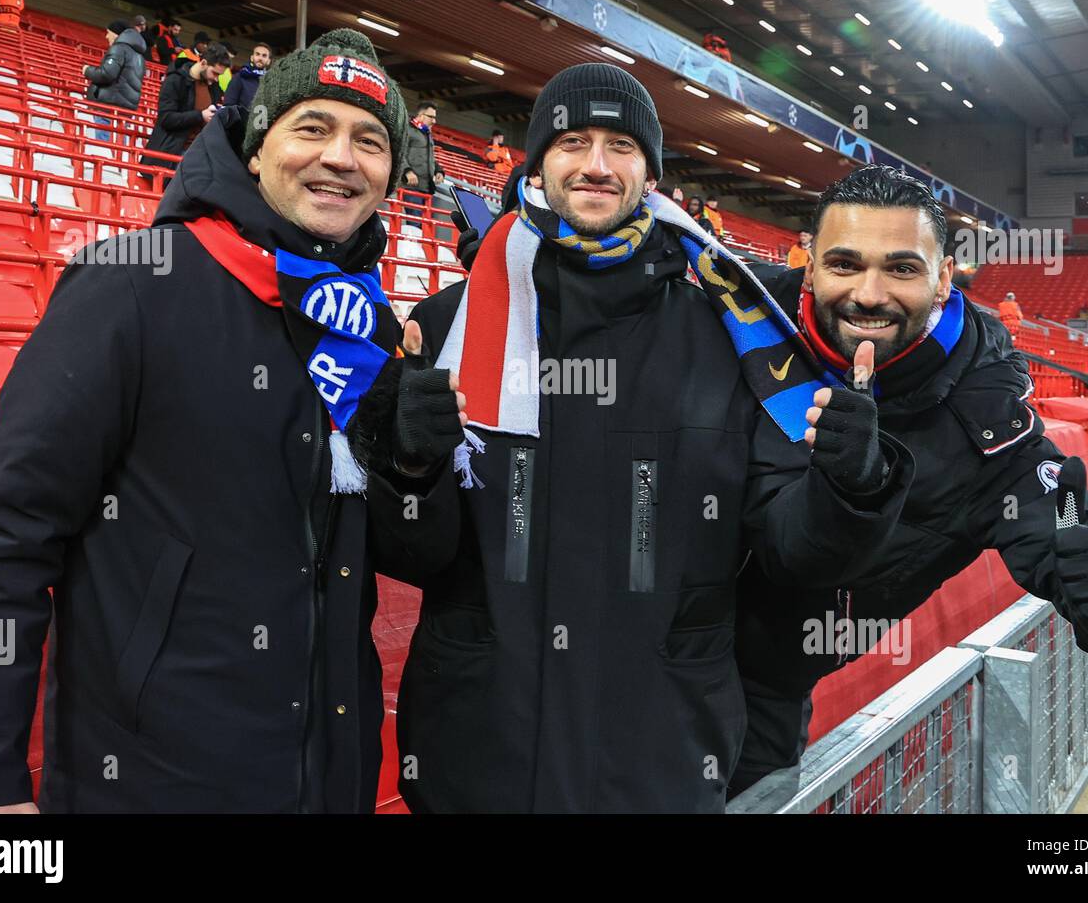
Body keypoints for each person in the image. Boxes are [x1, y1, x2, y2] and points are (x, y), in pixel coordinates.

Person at [366, 62, 913, 813]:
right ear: (536, 164)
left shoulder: (730, 337)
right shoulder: (448, 325)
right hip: (479, 759)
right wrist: (411, 467)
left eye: (621, 146)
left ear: (650, 174)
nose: (596, 164)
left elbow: (794, 551)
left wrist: (851, 485)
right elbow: (410, 554)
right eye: (573, 142)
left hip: (660, 761)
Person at [0, 28, 416, 813]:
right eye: (312, 127)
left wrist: (419, 451)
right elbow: (4, 539)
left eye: (369, 140)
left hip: (328, 776)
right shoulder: (131, 286)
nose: (342, 157)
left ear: (390, 173)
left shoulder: (372, 334)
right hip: (150, 779)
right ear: (257, 149)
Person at [730, 165, 1088, 797]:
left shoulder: (990, 436)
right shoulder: (728, 317)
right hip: (600, 657)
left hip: (748, 714)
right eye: (845, 264)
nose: (869, 294)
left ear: (943, 277)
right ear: (810, 264)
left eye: (902, 269)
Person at [140, 42, 231, 177]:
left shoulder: (213, 88)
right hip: (172, 154)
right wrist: (200, 116)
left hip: (198, 156)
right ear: (204, 63)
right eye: (215, 73)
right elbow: (166, 119)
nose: (216, 79)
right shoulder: (175, 80)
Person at [83, 16, 149, 111]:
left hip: (108, 107)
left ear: (116, 34)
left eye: (108, 33)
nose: (106, 36)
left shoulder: (119, 48)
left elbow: (106, 74)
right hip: (126, 110)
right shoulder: (140, 57)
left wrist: (87, 70)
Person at [401, 100, 445, 194]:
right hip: (410, 187)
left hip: (426, 188)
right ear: (421, 115)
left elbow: (429, 158)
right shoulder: (407, 129)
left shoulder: (426, 134)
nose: (434, 121)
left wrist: (438, 171)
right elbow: (399, 152)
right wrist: (407, 171)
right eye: (431, 117)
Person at [222, 41, 270, 110]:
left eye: (264, 56)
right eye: (257, 54)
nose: (260, 58)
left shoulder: (271, 81)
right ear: (252, 58)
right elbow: (229, 105)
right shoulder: (239, 77)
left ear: (269, 61)